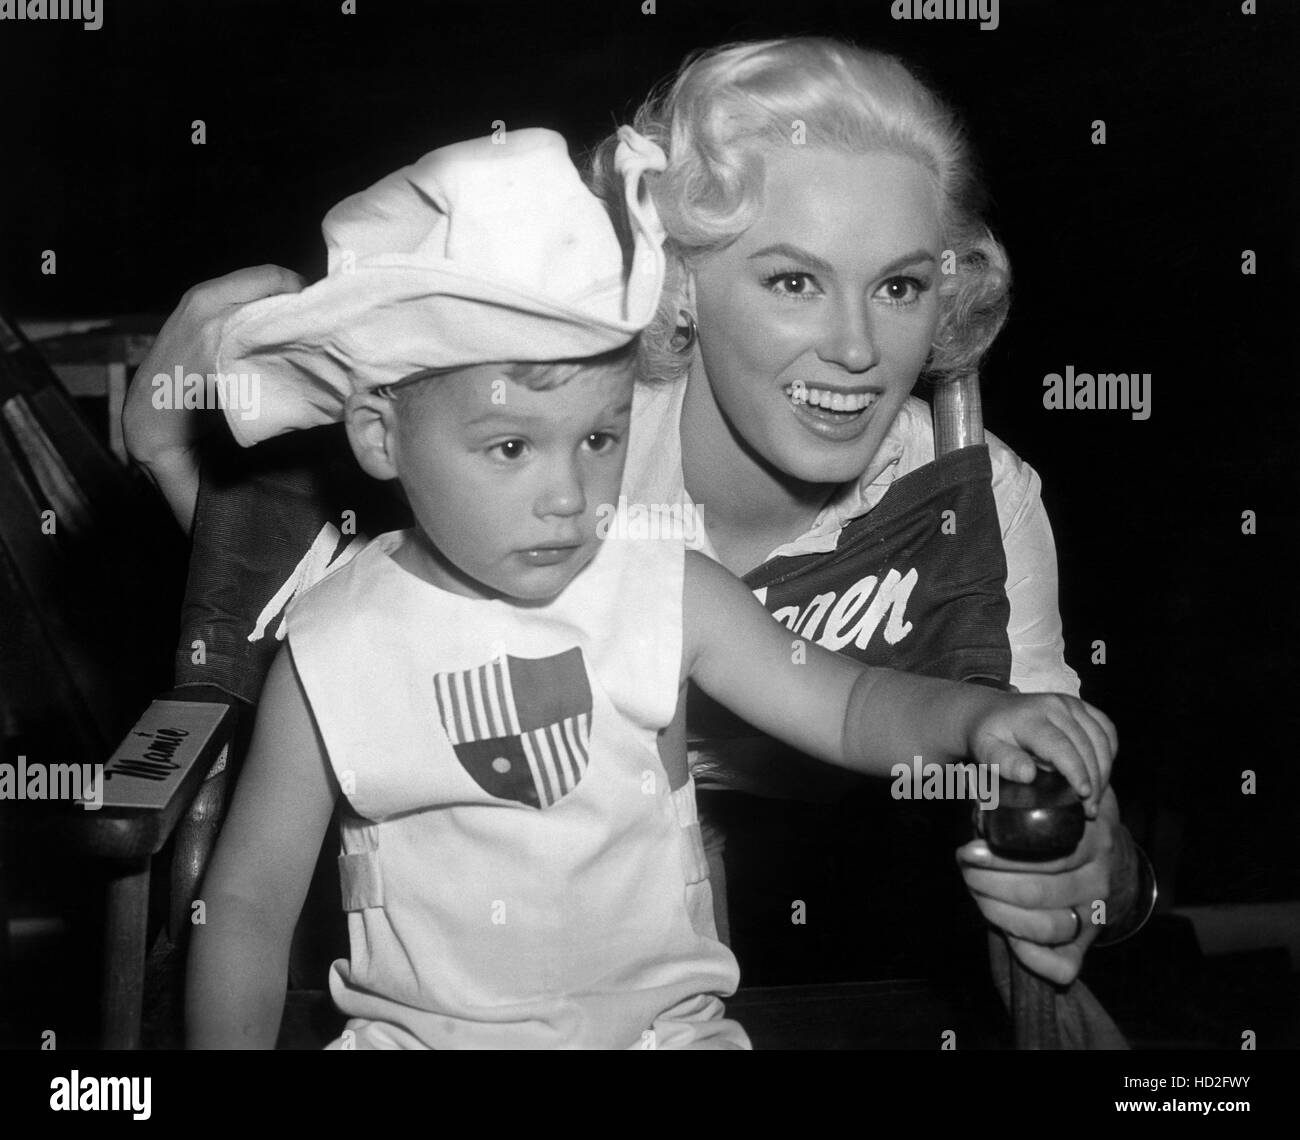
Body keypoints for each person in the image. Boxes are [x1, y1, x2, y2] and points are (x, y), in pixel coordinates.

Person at [126, 37, 1150, 1000]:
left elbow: (1057, 803)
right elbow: (338, 648)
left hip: (836, 906)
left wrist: (1092, 878)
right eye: (793, 280)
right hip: (499, 895)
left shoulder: (967, 502)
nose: (854, 347)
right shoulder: (570, 433)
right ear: (682, 284)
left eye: (898, 286)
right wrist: (180, 461)